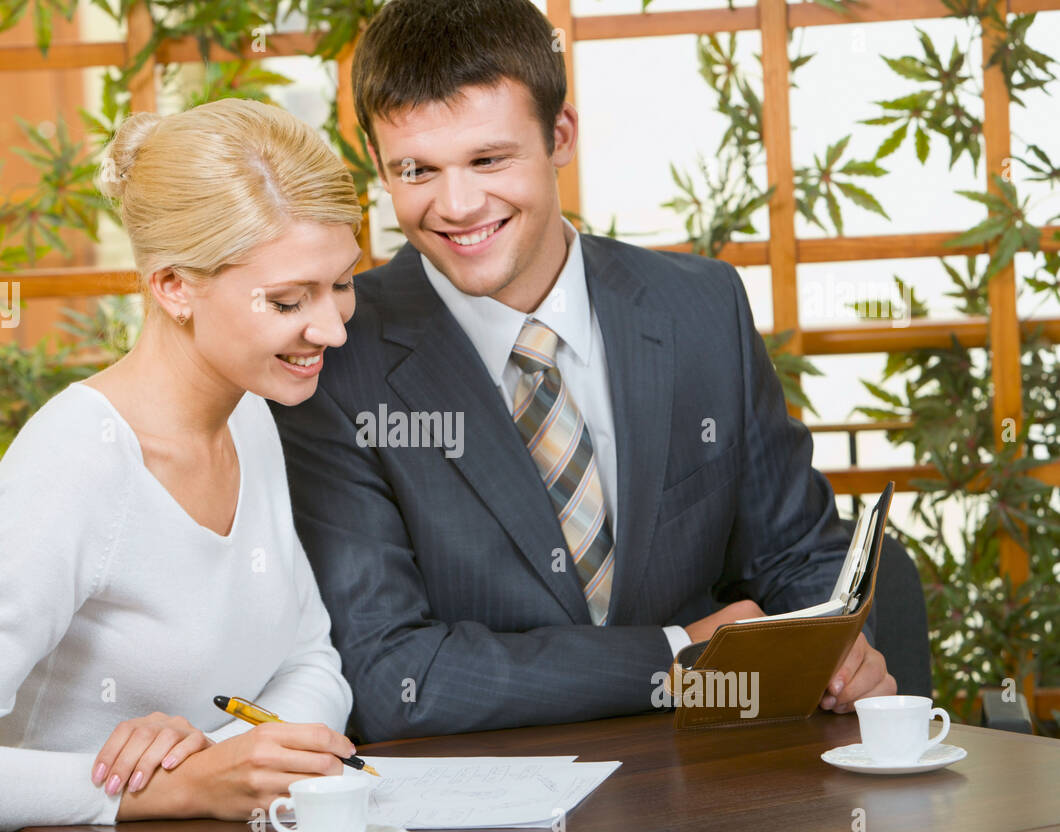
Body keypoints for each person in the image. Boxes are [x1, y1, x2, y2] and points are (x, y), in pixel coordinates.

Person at [269, 0, 896, 744]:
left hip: (725, 783)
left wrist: (830, 647)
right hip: (481, 822)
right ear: (379, 165)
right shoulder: (334, 359)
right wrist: (676, 656)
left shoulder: (700, 307)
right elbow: (390, 677)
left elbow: (795, 552)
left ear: (560, 134)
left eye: (489, 159)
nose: (458, 205)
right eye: (417, 170)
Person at [0, 98, 364, 832]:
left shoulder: (250, 417)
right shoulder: (77, 462)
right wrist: (177, 787)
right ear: (172, 286)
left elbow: (311, 662)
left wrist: (217, 753)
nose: (330, 328)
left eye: (342, 285)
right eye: (290, 300)